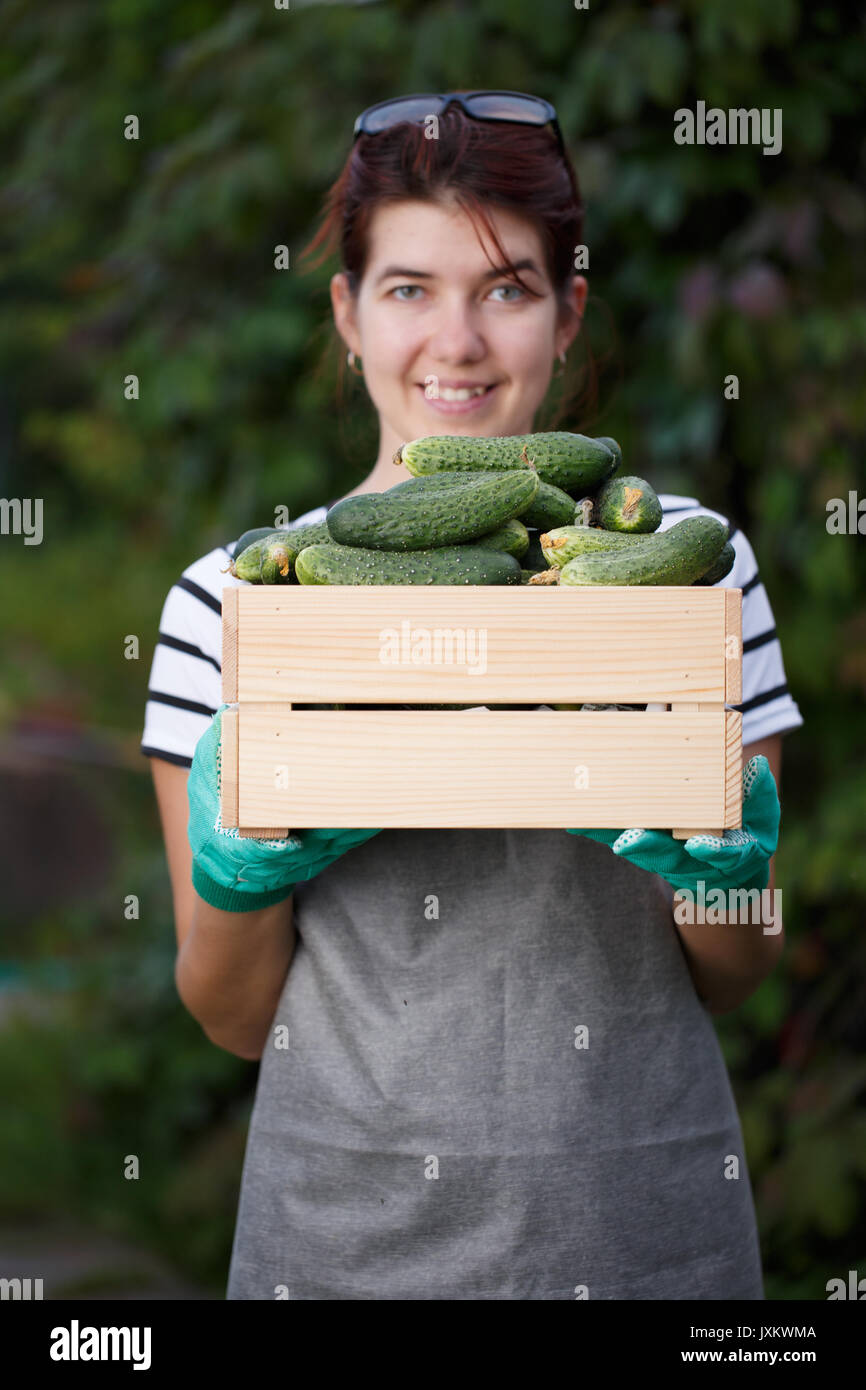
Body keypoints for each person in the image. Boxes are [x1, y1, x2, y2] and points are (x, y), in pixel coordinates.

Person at [142, 92, 804, 1300]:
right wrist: (244, 873)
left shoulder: (694, 574)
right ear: (347, 314)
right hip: (339, 1235)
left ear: (568, 312)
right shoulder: (228, 608)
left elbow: (737, 969)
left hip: (638, 1227)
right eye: (408, 288)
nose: (456, 340)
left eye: (504, 287)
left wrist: (728, 872)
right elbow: (231, 1014)